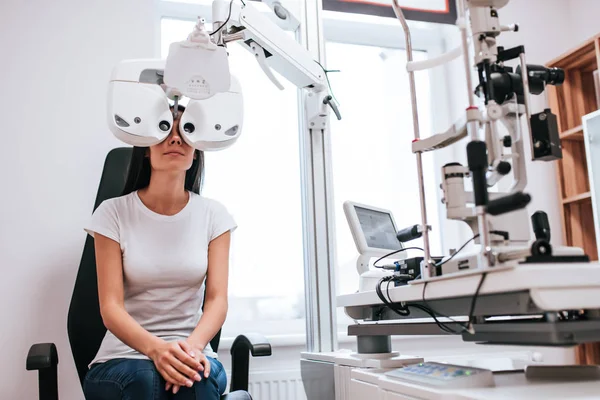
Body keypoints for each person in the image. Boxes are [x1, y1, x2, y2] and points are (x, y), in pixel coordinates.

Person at [83, 105, 236, 399]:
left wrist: (190, 350)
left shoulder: (214, 215)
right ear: (145, 147)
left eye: (186, 131)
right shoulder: (113, 213)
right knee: (146, 381)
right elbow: (110, 307)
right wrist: (157, 350)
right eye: (165, 129)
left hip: (194, 351)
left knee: (195, 381)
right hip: (124, 357)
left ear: (197, 150)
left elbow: (217, 300)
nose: (175, 139)